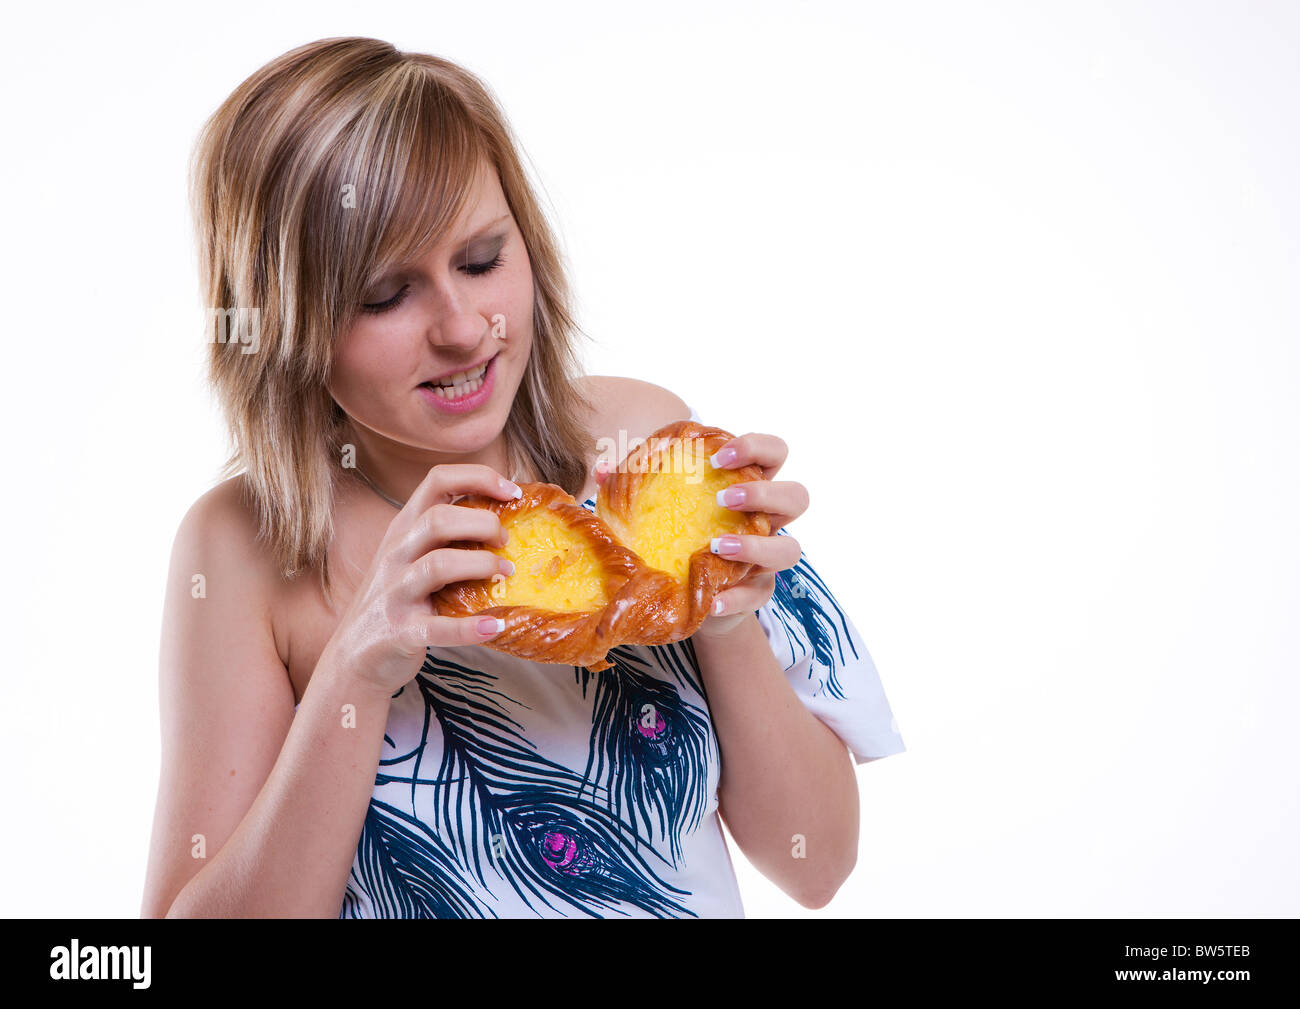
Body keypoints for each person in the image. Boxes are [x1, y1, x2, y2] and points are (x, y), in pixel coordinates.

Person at [139, 36, 905, 919]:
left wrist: (725, 613)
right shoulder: (240, 547)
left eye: (480, 260)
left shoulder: (643, 443)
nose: (464, 330)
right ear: (285, 321)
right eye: (386, 296)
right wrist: (355, 669)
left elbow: (818, 864)